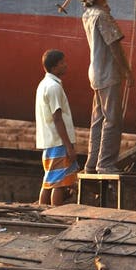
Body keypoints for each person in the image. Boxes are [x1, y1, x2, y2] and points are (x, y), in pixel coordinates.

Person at [77, 0, 134, 173]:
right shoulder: (102, 16)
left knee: (98, 120)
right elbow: (114, 46)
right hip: (108, 72)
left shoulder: (87, 15)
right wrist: (127, 71)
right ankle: (106, 163)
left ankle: (91, 163)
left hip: (96, 73)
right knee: (112, 120)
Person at [35, 49, 78, 206]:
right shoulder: (54, 87)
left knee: (49, 181)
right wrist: (68, 146)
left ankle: (43, 212)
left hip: (51, 141)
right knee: (58, 183)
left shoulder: (44, 84)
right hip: (58, 141)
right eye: (62, 63)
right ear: (54, 67)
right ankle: (56, 213)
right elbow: (57, 118)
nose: (65, 65)